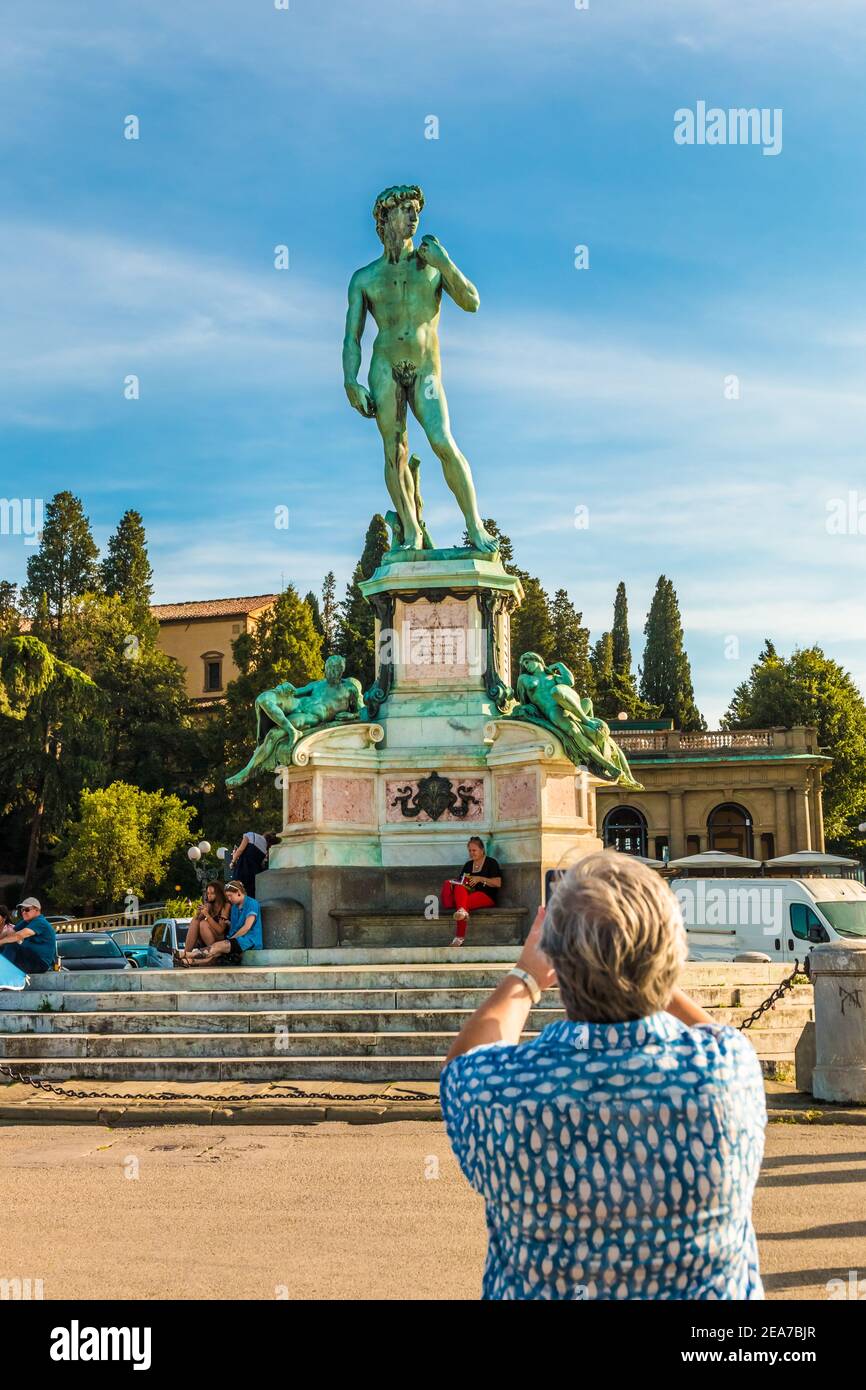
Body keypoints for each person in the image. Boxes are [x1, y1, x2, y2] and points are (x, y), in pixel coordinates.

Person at [440, 851, 767, 1300]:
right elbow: (711, 1030)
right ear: (672, 953)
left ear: (555, 959)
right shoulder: (727, 1070)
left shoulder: (501, 1093)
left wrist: (526, 976)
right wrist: (641, 960)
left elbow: (462, 1062)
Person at [440, 837, 502, 947]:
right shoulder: (468, 865)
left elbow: (498, 883)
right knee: (460, 891)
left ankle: (459, 937)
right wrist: (454, 882)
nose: (471, 853)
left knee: (462, 906)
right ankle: (462, 915)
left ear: (482, 850)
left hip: (486, 896)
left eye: (474, 850)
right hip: (468, 895)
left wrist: (480, 878)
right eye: (469, 850)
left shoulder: (491, 862)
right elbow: (462, 882)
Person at [186, 880, 262, 967]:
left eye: (230, 896)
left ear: (238, 893)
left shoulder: (252, 903)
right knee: (214, 947)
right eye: (227, 896)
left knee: (216, 947)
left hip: (248, 940)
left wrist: (230, 939)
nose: (229, 899)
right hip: (235, 939)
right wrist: (229, 923)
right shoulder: (235, 907)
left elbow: (247, 927)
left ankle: (186, 956)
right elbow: (235, 927)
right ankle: (187, 959)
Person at [175, 881, 230, 965]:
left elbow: (220, 930)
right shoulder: (209, 905)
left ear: (218, 893)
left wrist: (207, 915)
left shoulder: (225, 906)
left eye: (212, 893)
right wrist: (198, 913)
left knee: (203, 923)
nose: (209, 895)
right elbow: (196, 922)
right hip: (208, 938)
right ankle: (186, 953)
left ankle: (213, 956)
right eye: (208, 893)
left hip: (221, 939)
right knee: (196, 921)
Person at [0, 898, 57, 975]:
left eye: (27, 910)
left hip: (40, 963)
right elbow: (9, 933)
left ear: (37, 910)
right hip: (30, 959)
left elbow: (18, 936)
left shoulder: (40, 922)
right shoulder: (26, 922)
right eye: (22, 910)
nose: (23, 912)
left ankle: (2, 971)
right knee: (4, 946)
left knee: (12, 944)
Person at [230, 831, 268, 896]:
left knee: (237, 889)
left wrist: (233, 862)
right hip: (255, 871)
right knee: (250, 892)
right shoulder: (265, 847)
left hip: (243, 867)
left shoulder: (250, 835)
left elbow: (240, 850)